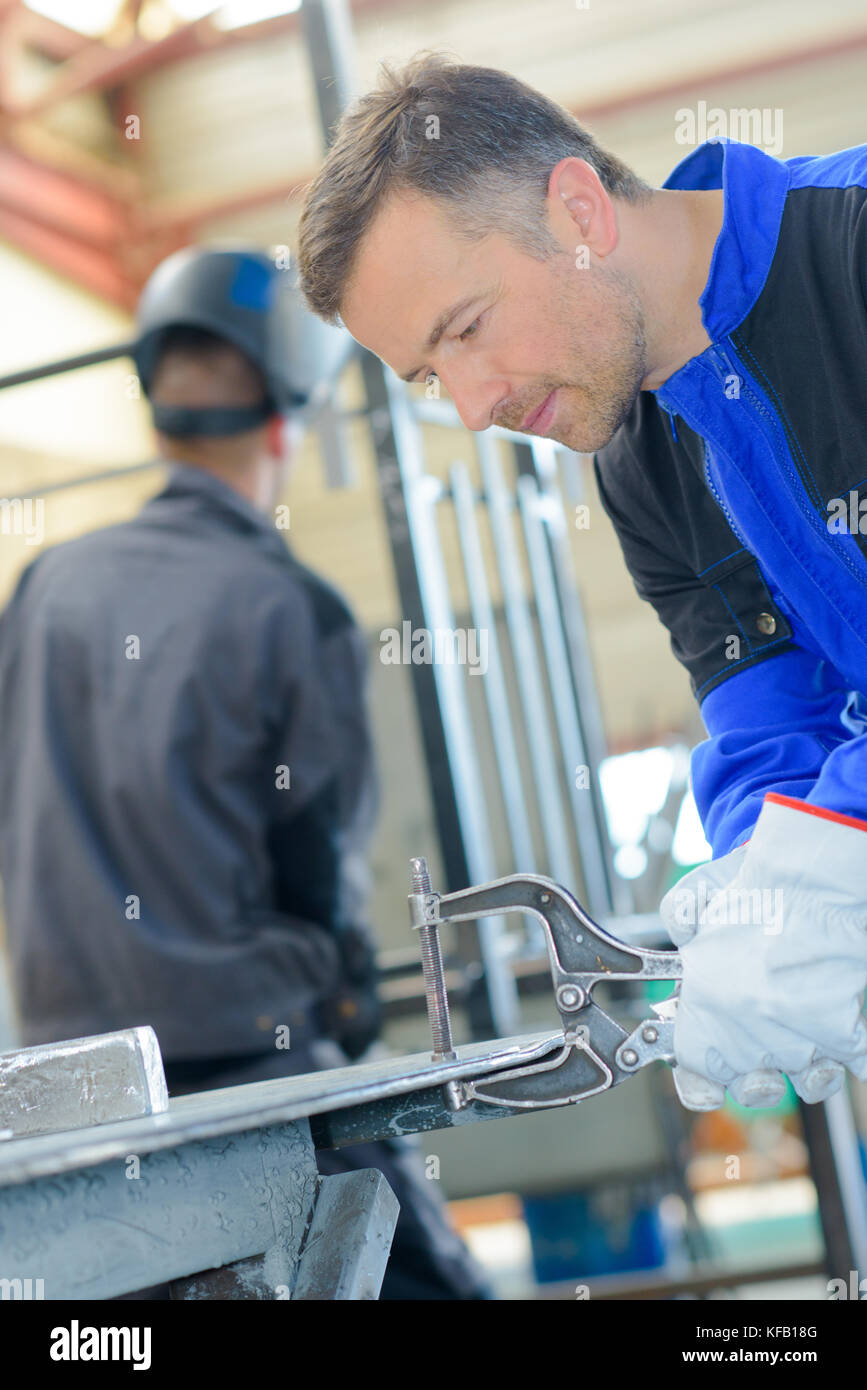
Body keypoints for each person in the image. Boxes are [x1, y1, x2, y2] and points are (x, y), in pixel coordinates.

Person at [296, 53, 867, 1114]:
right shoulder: (643, 467)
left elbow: (836, 835)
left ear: (577, 211)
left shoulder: (858, 246)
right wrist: (757, 903)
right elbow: (764, 726)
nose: (468, 407)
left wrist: (833, 866)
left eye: (465, 329)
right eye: (429, 373)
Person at [0, 245, 490, 1299]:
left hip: (72, 1110)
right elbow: (318, 874)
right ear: (288, 421)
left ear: (155, 414)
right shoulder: (289, 606)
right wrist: (352, 1010)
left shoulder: (42, 590)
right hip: (255, 1087)